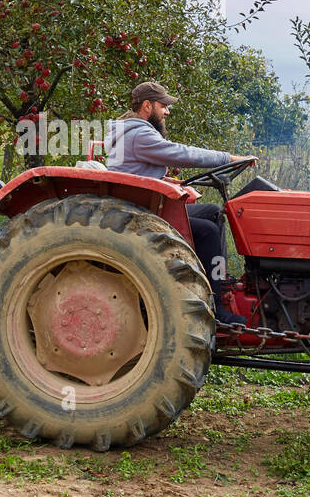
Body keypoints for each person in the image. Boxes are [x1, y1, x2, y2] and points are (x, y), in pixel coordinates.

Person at [106, 80, 255, 325]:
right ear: (147, 106)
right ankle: (215, 306)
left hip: (144, 204)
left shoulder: (129, 132)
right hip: (143, 212)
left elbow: (137, 171)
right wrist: (228, 158)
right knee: (207, 231)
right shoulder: (139, 134)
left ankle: (218, 281)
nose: (167, 111)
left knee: (213, 212)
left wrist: (169, 180)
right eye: (163, 106)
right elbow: (182, 153)